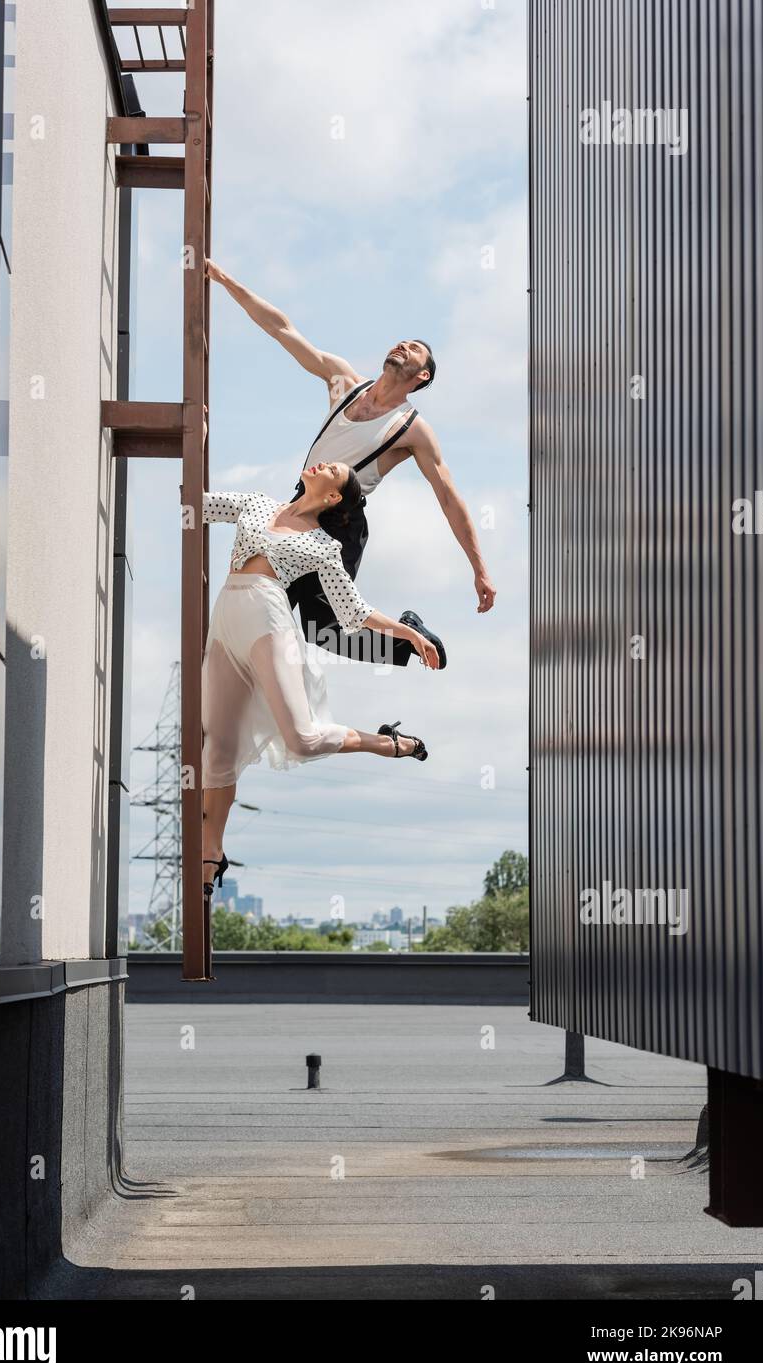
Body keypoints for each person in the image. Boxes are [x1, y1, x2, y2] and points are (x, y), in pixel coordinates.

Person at [205, 259, 497, 669]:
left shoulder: (412, 429)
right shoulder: (344, 382)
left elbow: (448, 497)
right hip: (302, 501)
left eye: (413, 348)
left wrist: (479, 571)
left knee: (323, 626)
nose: (402, 346)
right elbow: (282, 329)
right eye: (401, 341)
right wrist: (223, 279)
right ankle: (242, 687)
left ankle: (407, 640)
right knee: (264, 600)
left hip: (342, 520)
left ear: (423, 375)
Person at [193, 452, 439, 896]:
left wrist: (407, 634)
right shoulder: (257, 504)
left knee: (302, 741)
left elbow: (354, 611)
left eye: (332, 472)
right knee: (218, 749)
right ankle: (212, 851)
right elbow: (196, 503)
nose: (323, 464)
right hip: (225, 621)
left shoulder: (323, 545)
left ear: (330, 496)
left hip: (269, 623)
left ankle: (387, 744)